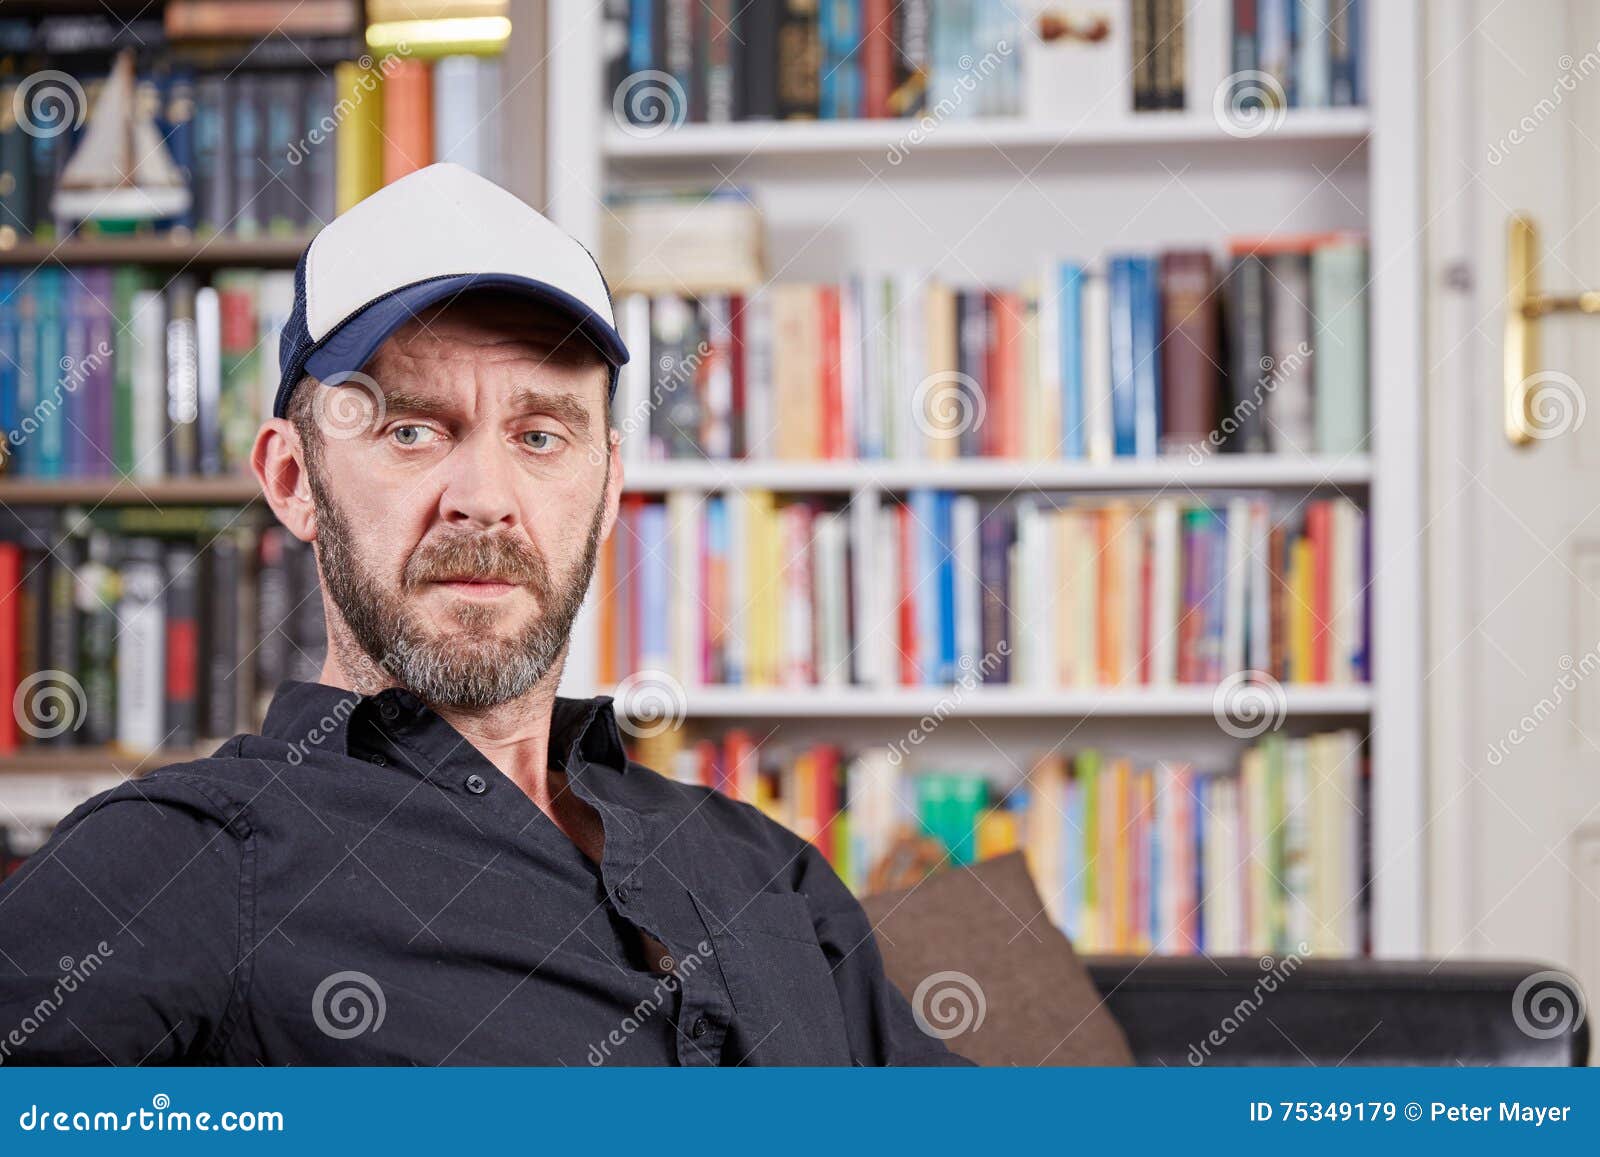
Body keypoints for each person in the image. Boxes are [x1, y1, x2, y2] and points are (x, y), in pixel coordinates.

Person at [0, 164, 966, 1066]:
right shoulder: (181, 862)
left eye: (541, 434)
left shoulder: (766, 868)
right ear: (294, 478)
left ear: (608, 483)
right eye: (412, 429)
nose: (485, 497)